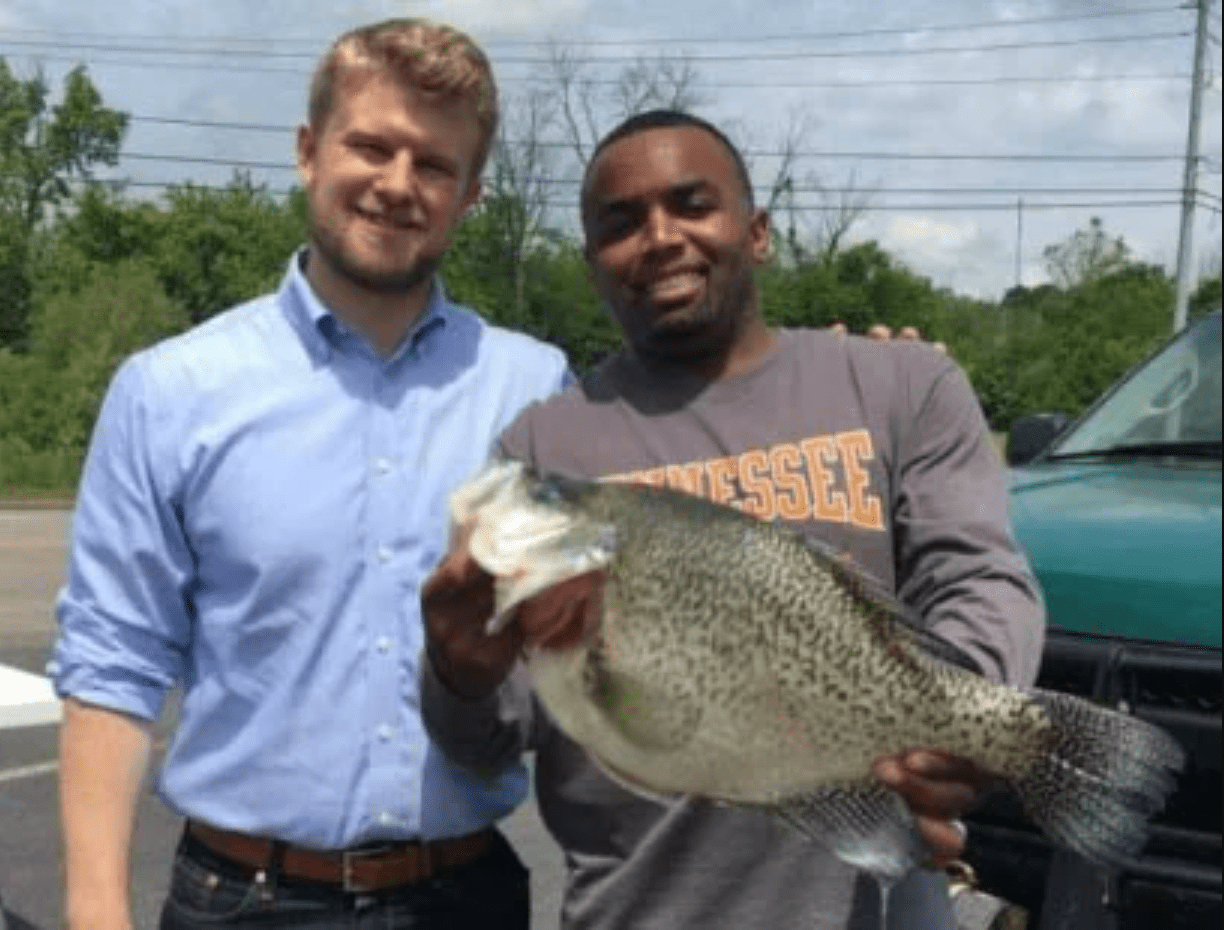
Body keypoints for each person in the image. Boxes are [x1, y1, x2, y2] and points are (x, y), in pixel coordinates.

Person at [419, 110, 1045, 930]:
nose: (659, 236)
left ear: (756, 231)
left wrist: (958, 724)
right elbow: (492, 735)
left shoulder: (900, 384)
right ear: (593, 263)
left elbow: (978, 576)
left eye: (691, 204)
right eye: (620, 223)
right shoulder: (542, 452)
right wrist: (459, 672)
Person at [51, 18, 569, 930]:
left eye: (434, 165)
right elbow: (113, 664)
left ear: (471, 193)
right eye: (370, 145)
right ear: (307, 151)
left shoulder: (534, 391)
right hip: (241, 901)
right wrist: (97, 911)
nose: (398, 184)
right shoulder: (172, 392)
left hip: (467, 899)